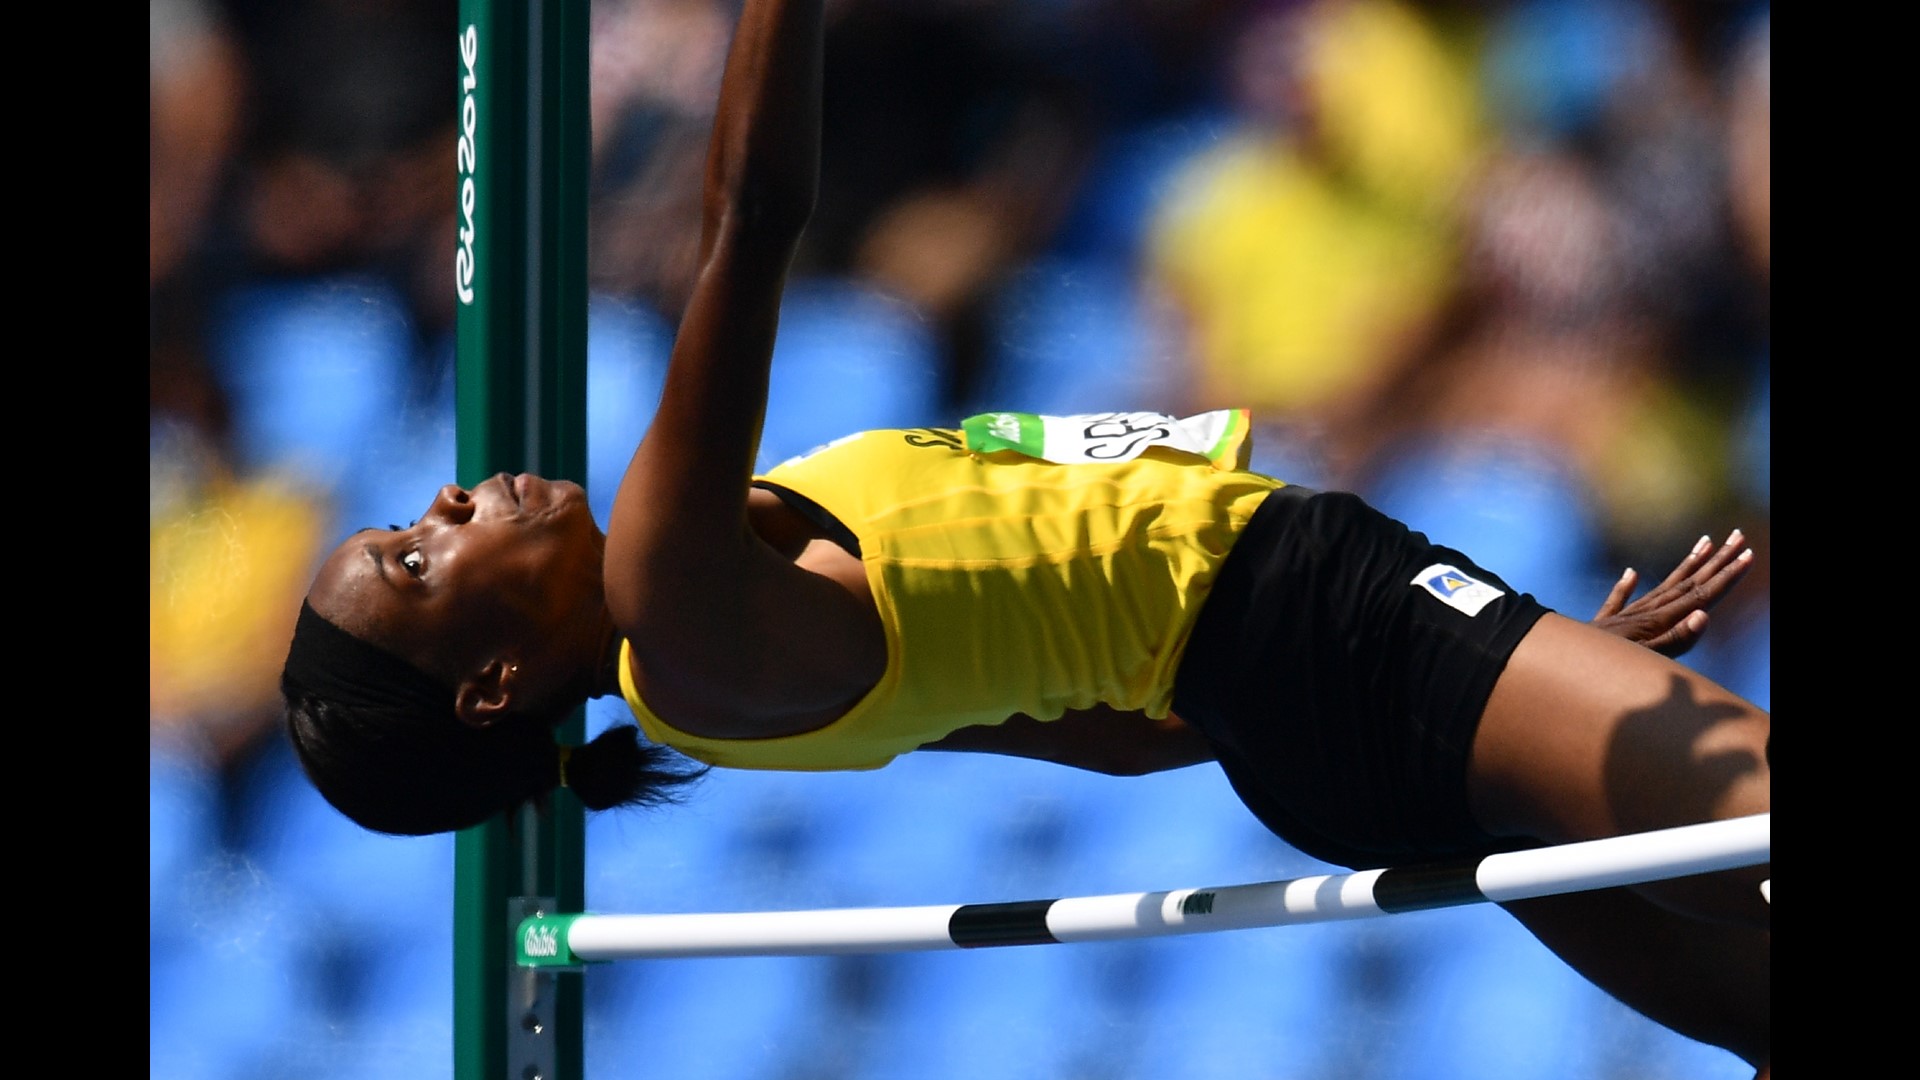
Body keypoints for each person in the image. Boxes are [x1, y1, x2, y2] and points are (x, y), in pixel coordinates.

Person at [278, 0, 1769, 1074]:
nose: (455, 499)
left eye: (411, 516)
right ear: (487, 685)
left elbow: (1089, 730)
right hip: (1315, 635)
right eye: (419, 556)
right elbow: (752, 214)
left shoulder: (716, 696)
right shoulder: (669, 579)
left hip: (1308, 700)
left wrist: (1501, 690)